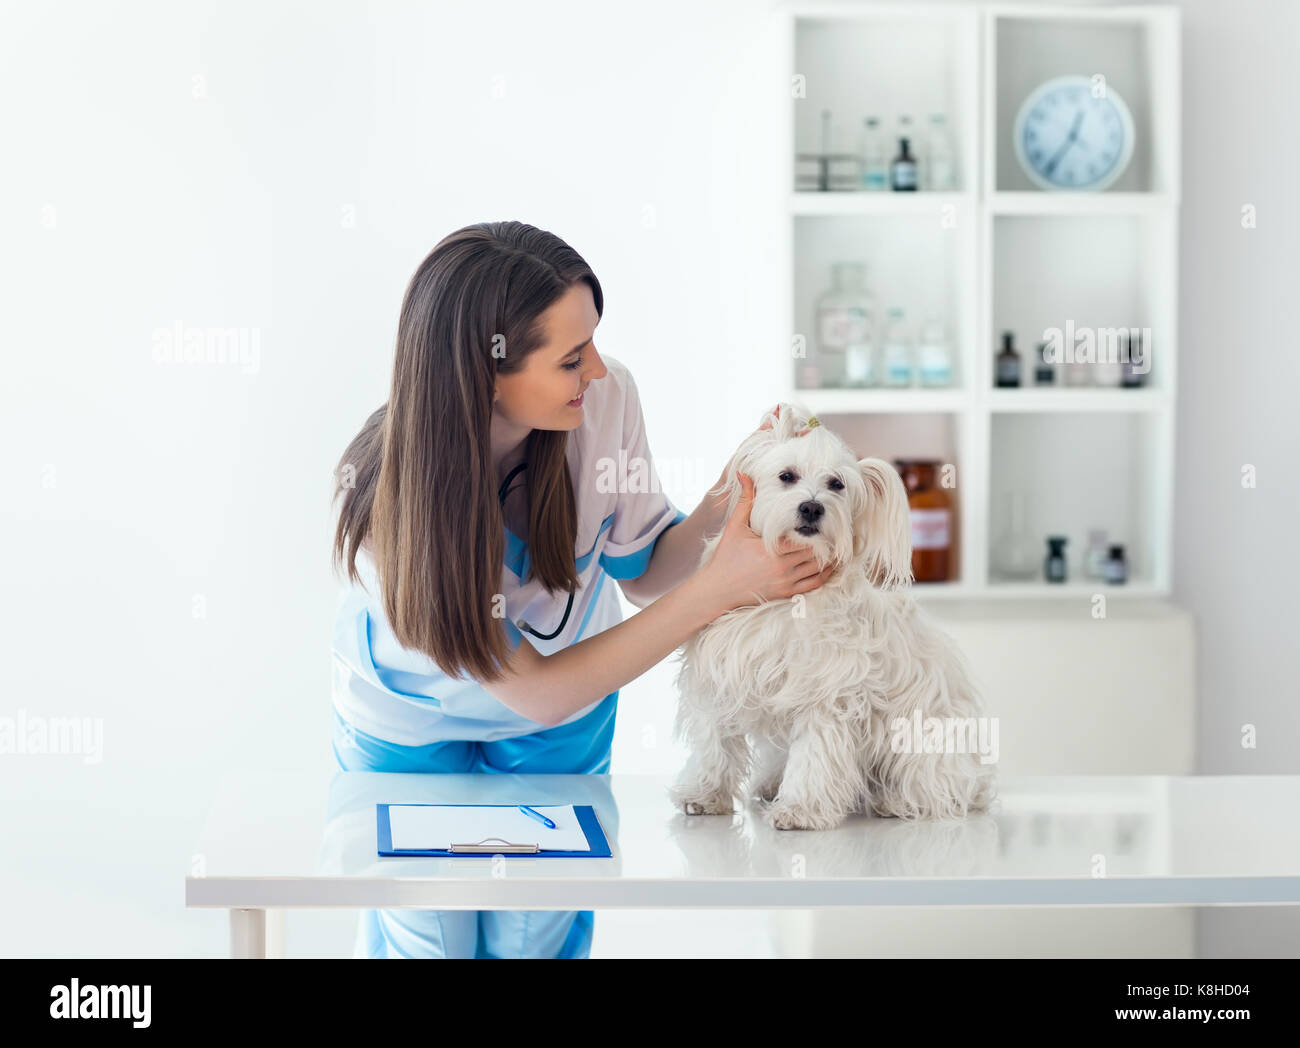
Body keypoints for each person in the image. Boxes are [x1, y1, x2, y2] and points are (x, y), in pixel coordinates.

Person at [329, 220, 836, 958]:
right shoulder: (385, 502)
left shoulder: (604, 400)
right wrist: (721, 589)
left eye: (593, 341)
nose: (596, 369)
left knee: (535, 927)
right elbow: (536, 689)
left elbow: (646, 572)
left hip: (564, 711)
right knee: (430, 932)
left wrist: (733, 492)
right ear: (487, 374)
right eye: (572, 358)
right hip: (412, 715)